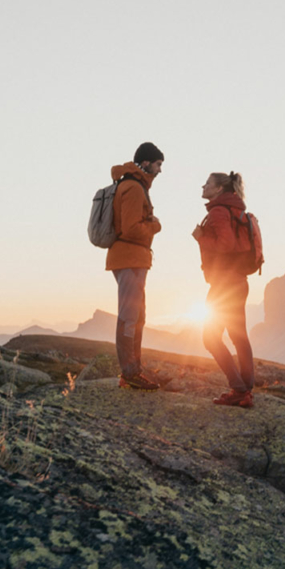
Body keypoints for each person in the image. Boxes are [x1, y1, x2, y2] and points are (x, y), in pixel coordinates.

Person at [192, 171, 256, 408]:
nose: (203, 186)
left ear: (219, 189)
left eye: (207, 183)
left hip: (224, 284)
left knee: (210, 338)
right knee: (239, 337)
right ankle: (246, 390)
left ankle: (239, 389)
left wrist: (200, 237)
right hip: (239, 281)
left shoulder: (219, 211)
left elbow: (226, 245)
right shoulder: (235, 210)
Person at [108, 142, 165, 390]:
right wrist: (155, 226)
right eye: (158, 164)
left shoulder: (135, 185)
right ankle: (129, 374)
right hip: (129, 258)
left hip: (133, 259)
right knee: (130, 317)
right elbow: (130, 228)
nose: (160, 170)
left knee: (137, 316)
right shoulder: (133, 188)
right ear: (145, 163)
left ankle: (134, 370)